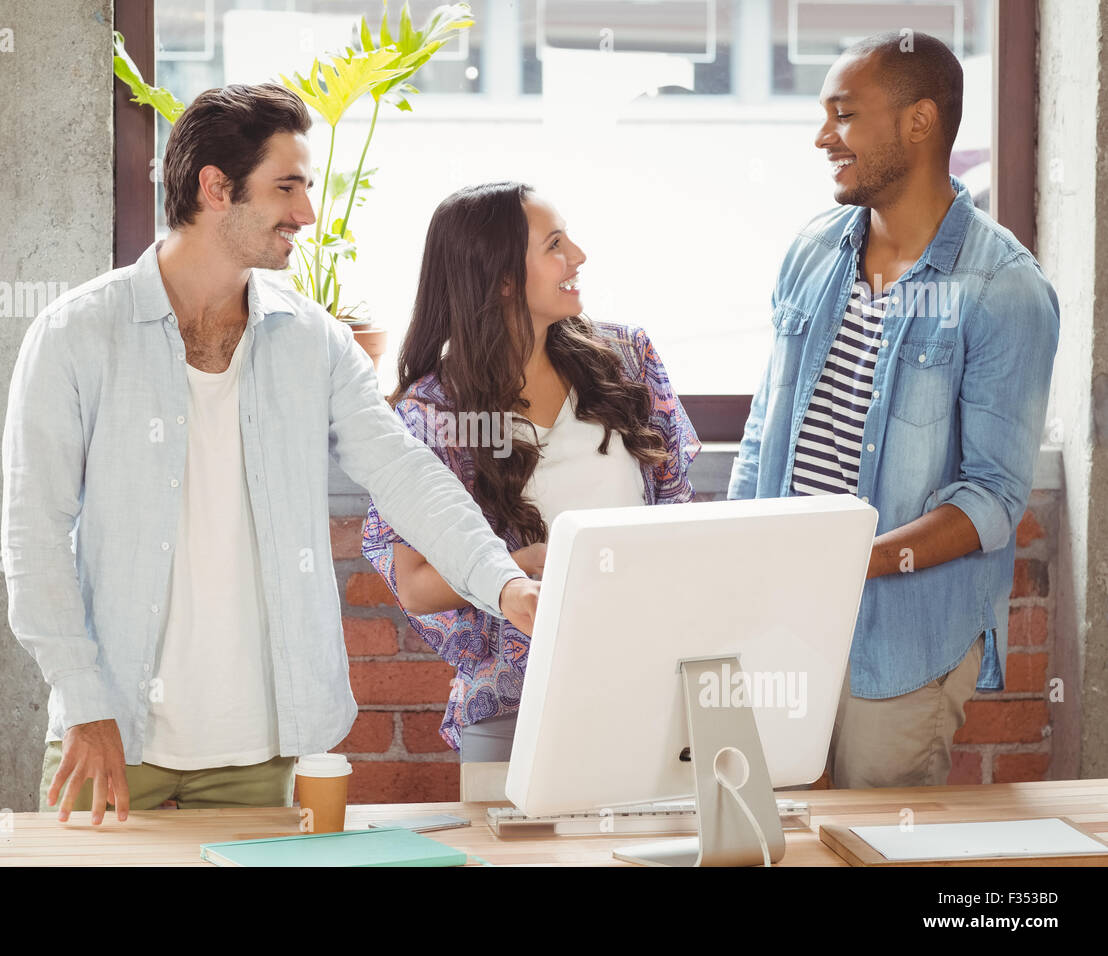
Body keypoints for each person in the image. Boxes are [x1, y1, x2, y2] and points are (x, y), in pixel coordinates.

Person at [0, 85, 539, 825]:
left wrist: (505, 586)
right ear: (215, 188)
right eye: (286, 187)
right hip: (113, 738)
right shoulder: (77, 335)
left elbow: (407, 474)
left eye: (307, 187)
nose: (307, 213)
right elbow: (32, 537)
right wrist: (83, 702)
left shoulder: (314, 342)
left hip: (266, 751)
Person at [727, 32, 1059, 789]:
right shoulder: (811, 252)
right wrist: (741, 571)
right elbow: (761, 435)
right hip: (781, 624)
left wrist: (853, 562)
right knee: (766, 833)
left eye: (843, 116)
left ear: (919, 123)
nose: (822, 138)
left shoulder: (1003, 289)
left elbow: (992, 498)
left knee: (877, 842)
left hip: (903, 641)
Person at [361, 182, 700, 762]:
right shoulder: (433, 411)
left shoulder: (629, 357)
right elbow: (414, 585)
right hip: (516, 702)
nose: (579, 256)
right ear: (501, 279)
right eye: (554, 245)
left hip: (648, 684)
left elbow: (676, 510)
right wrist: (515, 570)